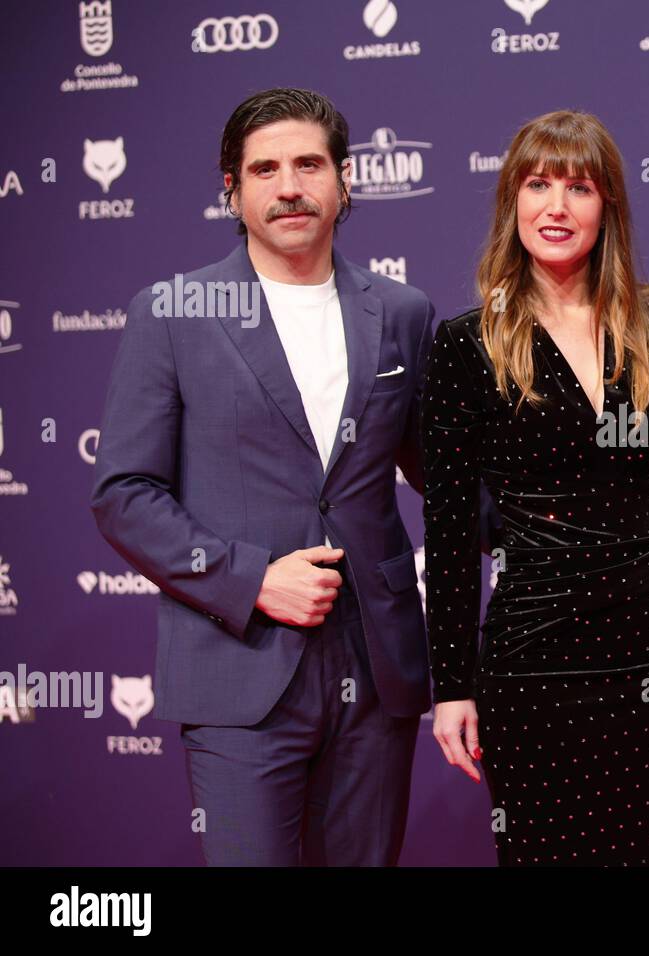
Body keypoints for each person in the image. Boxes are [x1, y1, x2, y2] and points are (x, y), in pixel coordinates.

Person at [90, 88, 433, 865]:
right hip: (238, 661)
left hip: (376, 669)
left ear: (344, 183)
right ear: (232, 191)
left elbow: (438, 474)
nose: (289, 186)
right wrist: (249, 580)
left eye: (309, 164)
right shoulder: (173, 313)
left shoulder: (404, 312)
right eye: (265, 169)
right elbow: (123, 496)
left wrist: (556, 512)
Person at [422, 110, 649, 866]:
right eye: (538, 183)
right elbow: (451, 529)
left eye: (579, 187)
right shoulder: (467, 344)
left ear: (607, 206)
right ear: (511, 202)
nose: (556, 206)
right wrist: (450, 685)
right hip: (537, 660)